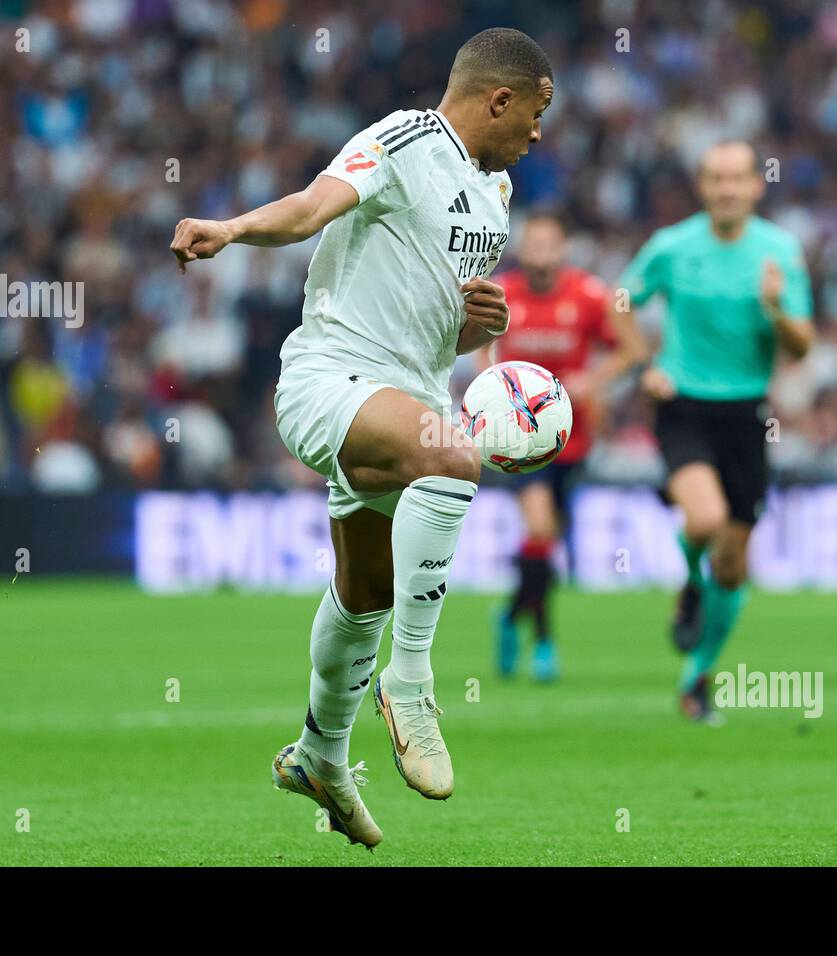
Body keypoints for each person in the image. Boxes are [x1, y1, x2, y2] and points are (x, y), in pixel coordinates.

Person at [170, 28, 553, 848]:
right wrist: (232, 229)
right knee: (455, 451)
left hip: (402, 395)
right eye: (537, 110)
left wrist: (476, 325)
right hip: (328, 379)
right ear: (500, 98)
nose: (539, 132)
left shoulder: (498, 194)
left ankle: (320, 754)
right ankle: (410, 684)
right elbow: (312, 208)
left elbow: (426, 332)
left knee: (365, 592)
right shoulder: (402, 139)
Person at [610, 140, 814, 723]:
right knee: (703, 519)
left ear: (756, 185)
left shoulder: (780, 252)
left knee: (734, 562)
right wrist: (644, 362)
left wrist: (776, 310)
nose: (727, 189)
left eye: (737, 179)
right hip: (683, 406)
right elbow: (620, 298)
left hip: (747, 413)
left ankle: (697, 674)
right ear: (703, 187)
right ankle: (690, 581)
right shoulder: (673, 246)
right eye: (716, 179)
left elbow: (802, 347)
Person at [479, 212, 634, 680]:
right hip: (518, 438)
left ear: (564, 247)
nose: (542, 251)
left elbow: (630, 349)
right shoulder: (501, 294)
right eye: (534, 242)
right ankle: (545, 643)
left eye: (551, 242)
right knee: (541, 528)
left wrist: (595, 379)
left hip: (573, 437)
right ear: (523, 248)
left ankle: (509, 616)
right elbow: (473, 349)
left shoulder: (589, 296)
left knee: (546, 545)